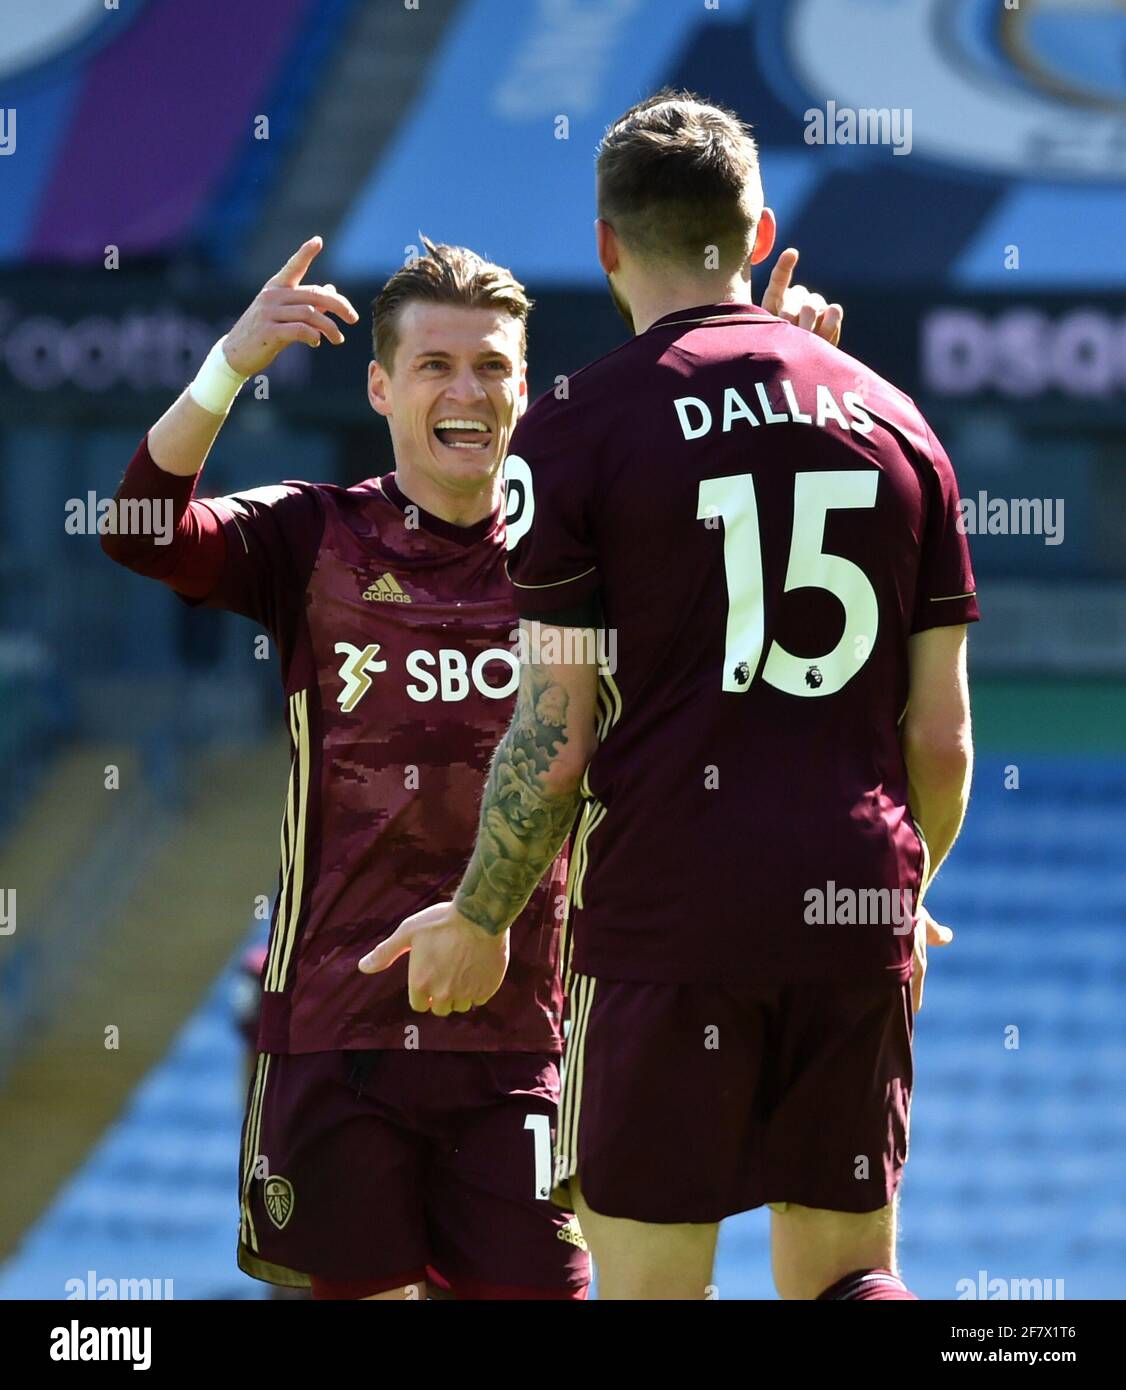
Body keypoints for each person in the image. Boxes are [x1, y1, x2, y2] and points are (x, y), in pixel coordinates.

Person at [104, 228, 843, 1300]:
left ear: (527, 389)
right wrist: (229, 367)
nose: (467, 391)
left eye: (492, 365)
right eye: (435, 365)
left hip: (528, 1042)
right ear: (379, 385)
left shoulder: (596, 550)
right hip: (334, 1034)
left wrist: (782, 389)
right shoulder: (315, 535)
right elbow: (137, 529)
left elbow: (779, 604)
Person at [367, 91, 975, 1302]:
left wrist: (483, 916)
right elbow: (942, 738)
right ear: (755, 232)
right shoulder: (898, 423)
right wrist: (903, 897)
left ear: (604, 245)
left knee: (650, 1283)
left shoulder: (576, 428)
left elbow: (554, 732)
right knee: (851, 1275)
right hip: (854, 902)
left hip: (666, 922)